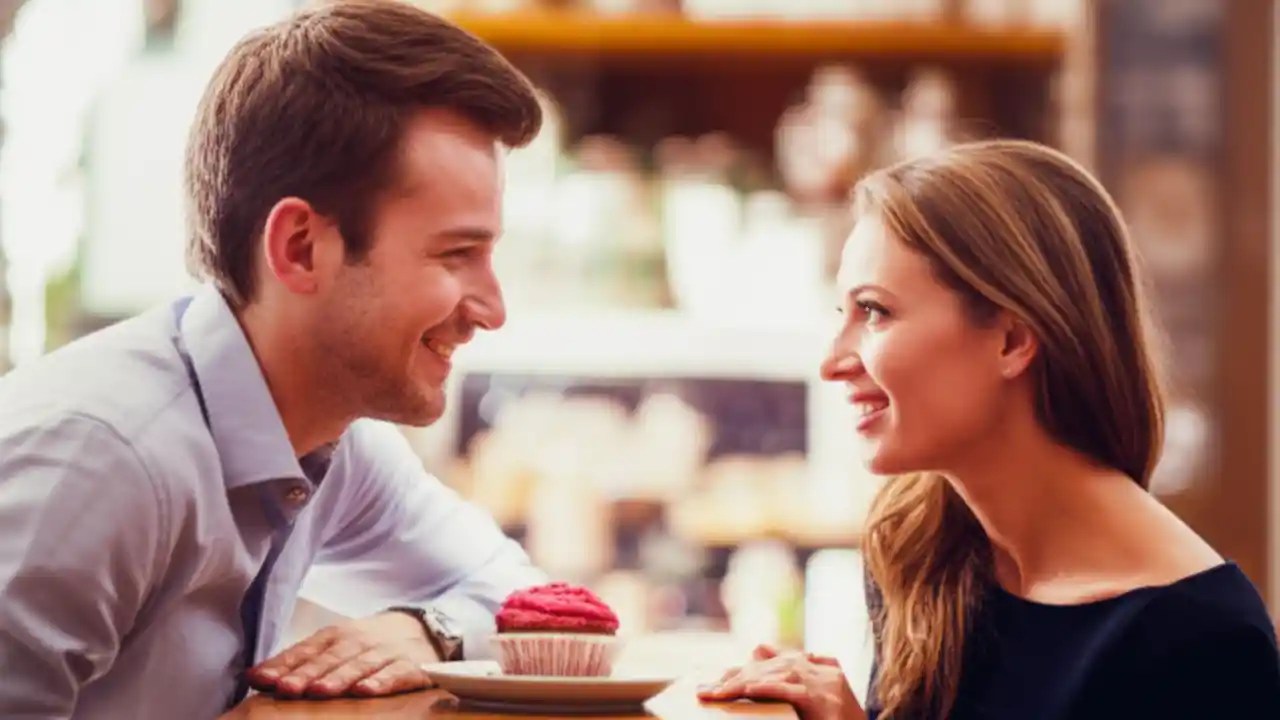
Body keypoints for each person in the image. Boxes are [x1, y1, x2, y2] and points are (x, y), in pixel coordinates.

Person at [0, 2, 548, 717]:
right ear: (299, 248)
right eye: (456, 254)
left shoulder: (329, 444)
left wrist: (427, 631)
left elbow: (531, 602)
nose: (492, 308)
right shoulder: (100, 461)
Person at [698, 140, 1280, 718]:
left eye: (874, 311)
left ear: (1012, 340)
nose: (833, 360)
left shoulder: (1206, 642)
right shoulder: (923, 549)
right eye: (841, 314)